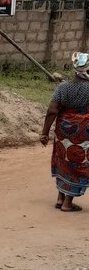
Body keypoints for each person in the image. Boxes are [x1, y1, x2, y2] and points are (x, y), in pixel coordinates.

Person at [41, 51, 89, 212]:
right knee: (78, 163)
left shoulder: (63, 87)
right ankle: (68, 203)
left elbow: (52, 110)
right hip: (83, 133)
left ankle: (60, 198)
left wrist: (44, 133)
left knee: (63, 159)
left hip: (63, 132)